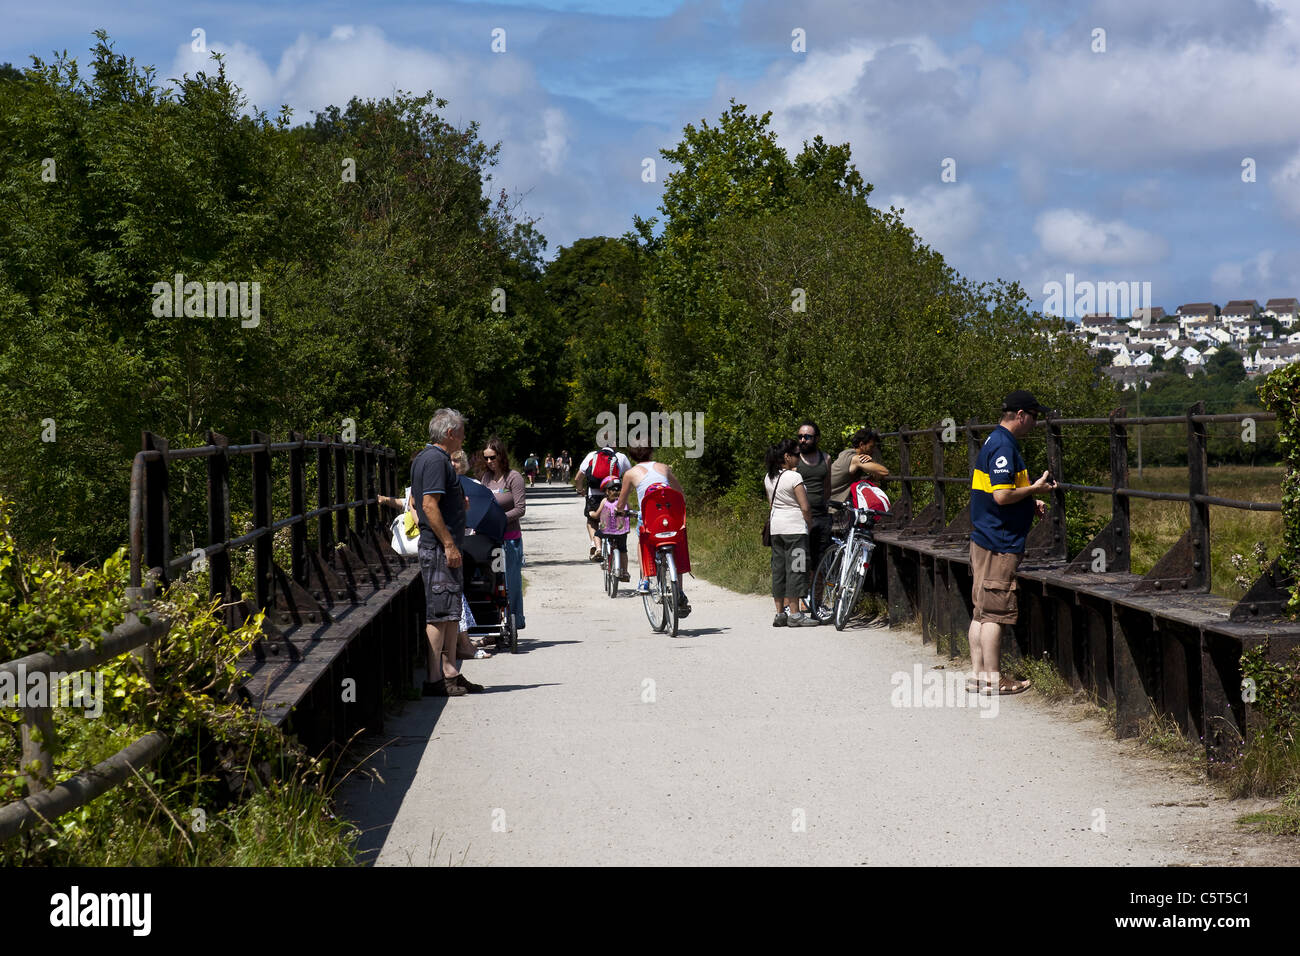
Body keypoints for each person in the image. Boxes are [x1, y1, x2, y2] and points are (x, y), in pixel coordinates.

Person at [968, 390, 1057, 696]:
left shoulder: (993, 440)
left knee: (980, 610)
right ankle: (995, 680)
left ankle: (978, 676)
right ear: (1021, 415)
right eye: (1034, 417)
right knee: (994, 612)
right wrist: (1036, 488)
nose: (1035, 423)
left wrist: (1029, 499)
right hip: (1000, 541)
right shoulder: (1006, 445)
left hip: (984, 536)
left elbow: (997, 490)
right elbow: (1002, 495)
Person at [411, 409, 483, 696]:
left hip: (446, 548)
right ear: (450, 433)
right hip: (440, 549)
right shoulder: (434, 460)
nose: (464, 438)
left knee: (451, 612)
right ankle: (434, 679)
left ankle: (451, 671)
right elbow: (428, 505)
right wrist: (450, 544)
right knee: (439, 613)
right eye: (462, 432)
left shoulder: (435, 459)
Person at [616, 444, 691, 615]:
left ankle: (644, 580)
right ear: (651, 451)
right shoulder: (663, 467)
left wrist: (620, 511)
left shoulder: (630, 473)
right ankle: (678, 589)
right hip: (670, 517)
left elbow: (621, 502)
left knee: (642, 539)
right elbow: (679, 492)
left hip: (649, 520)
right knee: (676, 545)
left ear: (633, 455)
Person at [765, 438, 817, 627]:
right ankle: (795, 614)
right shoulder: (795, 478)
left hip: (776, 529)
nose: (798, 457)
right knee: (796, 569)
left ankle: (780, 613)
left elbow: (771, 505)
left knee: (779, 570)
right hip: (795, 529)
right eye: (795, 454)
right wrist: (809, 524)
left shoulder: (769, 477)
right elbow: (805, 507)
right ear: (786, 457)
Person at [479, 436, 528, 632]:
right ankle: (495, 622)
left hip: (510, 538)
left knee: (512, 582)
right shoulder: (486, 479)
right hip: (491, 539)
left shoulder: (513, 477)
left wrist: (499, 519)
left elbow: (520, 509)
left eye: (492, 457)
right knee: (494, 582)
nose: (489, 462)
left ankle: (516, 619)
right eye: (486, 458)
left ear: (500, 456)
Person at [794, 420, 831, 615]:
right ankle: (798, 601)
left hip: (821, 516)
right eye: (800, 436)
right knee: (799, 560)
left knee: (819, 560)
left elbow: (827, 487)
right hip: (799, 516)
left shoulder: (825, 458)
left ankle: (817, 602)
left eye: (807, 437)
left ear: (816, 438)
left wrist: (827, 507)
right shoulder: (794, 459)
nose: (803, 440)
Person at [577, 445, 633, 559]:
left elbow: (578, 477)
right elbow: (631, 476)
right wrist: (626, 493)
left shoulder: (592, 455)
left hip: (594, 494)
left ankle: (595, 543)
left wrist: (580, 489)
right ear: (615, 445)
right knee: (615, 517)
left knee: (592, 520)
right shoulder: (621, 457)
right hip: (615, 493)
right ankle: (617, 538)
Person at [830, 428, 890, 503]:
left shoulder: (846, 453)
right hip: (832, 507)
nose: (872, 451)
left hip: (827, 500)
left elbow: (878, 476)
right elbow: (884, 471)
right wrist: (872, 461)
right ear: (861, 445)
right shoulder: (856, 459)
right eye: (871, 447)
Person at [589, 476, 631, 581]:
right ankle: (625, 572)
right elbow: (630, 511)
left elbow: (597, 515)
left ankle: (598, 549)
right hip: (621, 532)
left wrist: (591, 514)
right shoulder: (624, 501)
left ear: (606, 491)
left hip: (606, 531)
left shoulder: (604, 501)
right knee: (623, 551)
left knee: (596, 535)